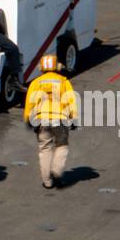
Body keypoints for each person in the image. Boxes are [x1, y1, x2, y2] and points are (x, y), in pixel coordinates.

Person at [24, 53, 77, 189]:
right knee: (62, 145)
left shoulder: (36, 82)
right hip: (60, 119)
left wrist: (28, 119)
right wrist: (74, 118)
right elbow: (71, 101)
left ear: (41, 68)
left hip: (42, 120)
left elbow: (30, 102)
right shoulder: (64, 81)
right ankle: (57, 170)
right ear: (57, 66)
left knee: (45, 149)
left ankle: (47, 181)